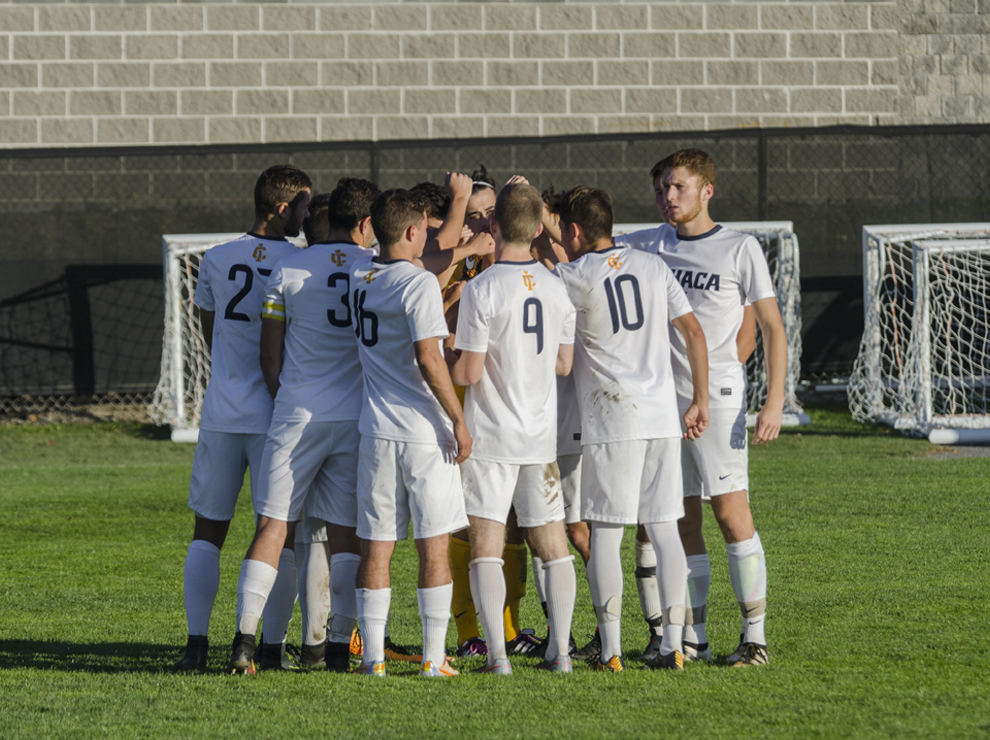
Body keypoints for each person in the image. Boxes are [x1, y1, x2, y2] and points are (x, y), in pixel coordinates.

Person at [615, 148, 786, 667]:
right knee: (681, 519)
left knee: (731, 514)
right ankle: (695, 638)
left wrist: (774, 401)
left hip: (721, 400)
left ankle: (754, 638)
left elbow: (772, 327)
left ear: (707, 190)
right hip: (664, 403)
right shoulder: (647, 244)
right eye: (662, 189)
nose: (668, 197)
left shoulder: (739, 248)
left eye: (678, 187)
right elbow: (588, 243)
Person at [553, 185, 710, 672]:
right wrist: (700, 399)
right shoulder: (652, 264)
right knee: (665, 530)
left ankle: (612, 651)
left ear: (574, 230)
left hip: (612, 419)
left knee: (605, 533)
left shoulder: (571, 276)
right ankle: (674, 646)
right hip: (661, 416)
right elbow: (694, 331)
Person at [226, 177, 380, 675]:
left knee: (273, 527)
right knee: (346, 537)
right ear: (366, 222)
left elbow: (269, 355)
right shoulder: (373, 268)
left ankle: (244, 643)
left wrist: (285, 399)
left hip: (296, 414)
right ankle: (336, 650)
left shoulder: (289, 267)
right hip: (354, 418)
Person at [172, 164, 311, 672]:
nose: (307, 215)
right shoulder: (299, 264)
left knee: (207, 532)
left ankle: (195, 647)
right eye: (303, 205)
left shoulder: (215, 258)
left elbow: (211, 333)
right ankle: (268, 649)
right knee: (279, 534)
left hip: (222, 410)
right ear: (282, 208)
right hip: (277, 415)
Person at [450, 181, 578, 674]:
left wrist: (442, 355)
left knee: (486, 548)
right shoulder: (556, 285)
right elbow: (564, 365)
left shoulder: (482, 288)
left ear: (494, 224)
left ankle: (498, 658)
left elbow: (468, 373)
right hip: (539, 436)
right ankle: (561, 653)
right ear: (538, 227)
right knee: (553, 547)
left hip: (491, 437)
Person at [350, 188, 471, 678]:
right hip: (423, 431)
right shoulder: (418, 283)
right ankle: (432, 657)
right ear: (411, 231)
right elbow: (428, 357)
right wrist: (458, 419)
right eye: (424, 228)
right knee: (433, 544)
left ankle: (373, 660)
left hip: (375, 430)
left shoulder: (359, 276)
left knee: (377, 546)